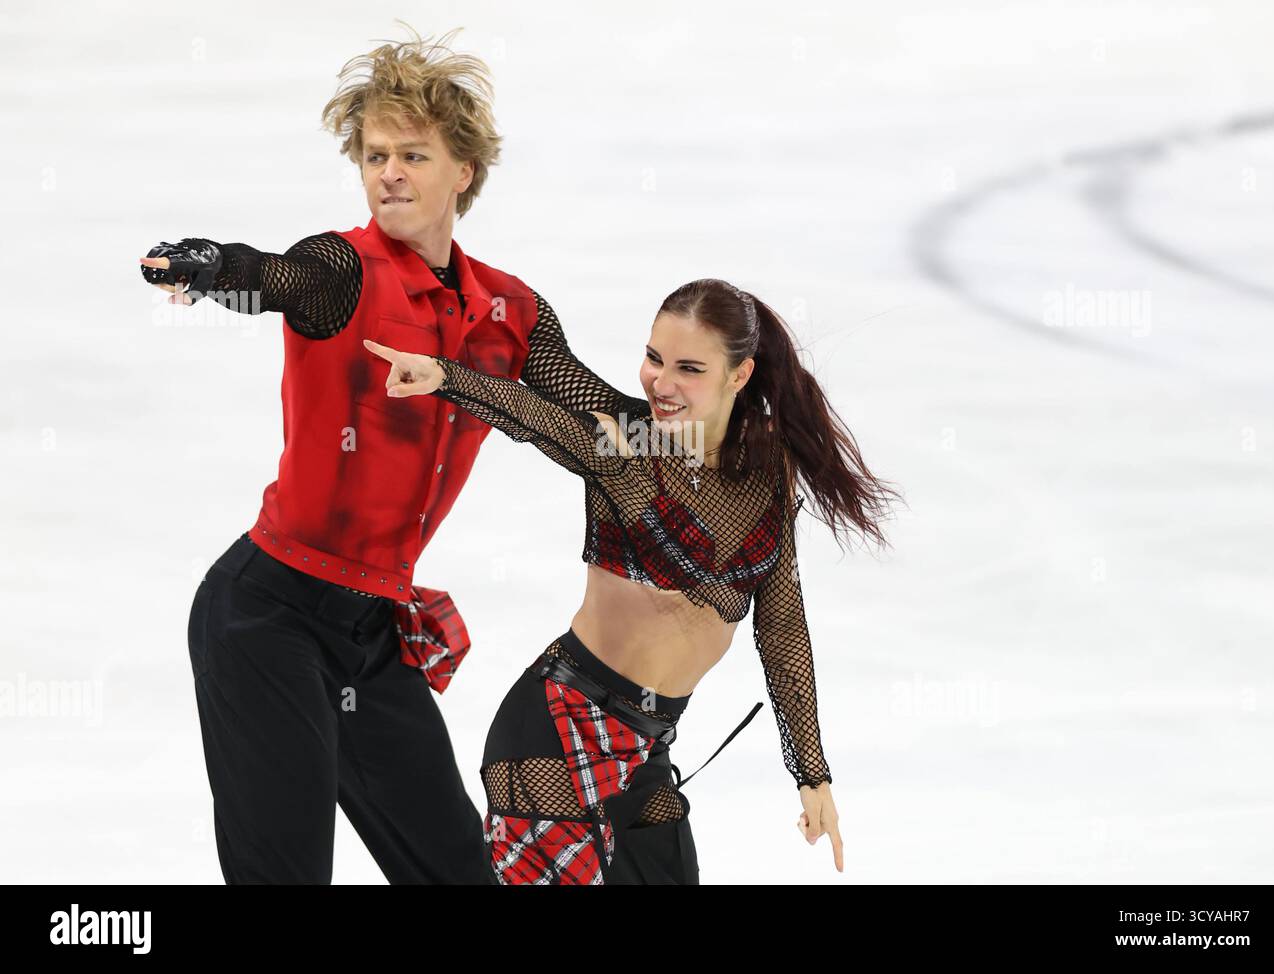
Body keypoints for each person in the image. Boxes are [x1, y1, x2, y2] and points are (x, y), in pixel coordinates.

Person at [140, 25, 646, 884]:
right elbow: (270, 277)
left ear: (464, 172)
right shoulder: (343, 271)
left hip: (372, 633)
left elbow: (606, 424)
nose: (390, 174)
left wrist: (712, 424)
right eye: (375, 155)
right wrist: (208, 262)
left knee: (456, 869)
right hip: (266, 619)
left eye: (413, 154)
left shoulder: (510, 313)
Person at [364, 278, 902, 883]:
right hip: (554, 735)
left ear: (740, 375)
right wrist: (445, 375)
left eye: (688, 368)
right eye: (653, 359)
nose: (660, 384)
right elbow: (533, 414)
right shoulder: (624, 441)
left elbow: (779, 626)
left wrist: (811, 774)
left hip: (646, 750)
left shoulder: (767, 468)